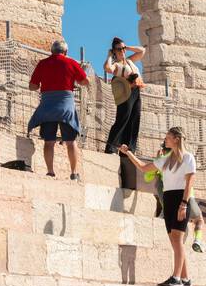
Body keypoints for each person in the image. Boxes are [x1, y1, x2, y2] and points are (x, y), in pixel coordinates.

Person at [119, 127, 195, 286]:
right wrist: (128, 153)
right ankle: (186, 279)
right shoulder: (165, 160)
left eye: (168, 137)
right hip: (167, 199)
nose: (165, 140)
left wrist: (184, 203)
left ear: (176, 139)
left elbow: (189, 183)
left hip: (180, 199)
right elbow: (143, 167)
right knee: (175, 241)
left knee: (177, 239)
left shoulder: (188, 158)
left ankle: (176, 278)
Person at [26, 40, 90, 181]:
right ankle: (74, 173)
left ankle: (50, 171)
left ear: (51, 51)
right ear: (65, 52)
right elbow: (85, 82)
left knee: (49, 141)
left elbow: (32, 86)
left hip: (47, 107)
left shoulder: (42, 64)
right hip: (65, 107)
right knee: (71, 141)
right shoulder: (71, 63)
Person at [102, 37, 145, 188]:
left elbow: (142, 51)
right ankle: (111, 147)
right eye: (119, 49)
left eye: (123, 48)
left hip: (137, 91)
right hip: (126, 92)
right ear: (114, 51)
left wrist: (128, 47)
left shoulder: (130, 61)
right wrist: (110, 55)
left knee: (135, 120)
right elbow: (107, 68)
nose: (123, 51)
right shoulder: (117, 65)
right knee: (123, 119)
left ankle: (129, 150)